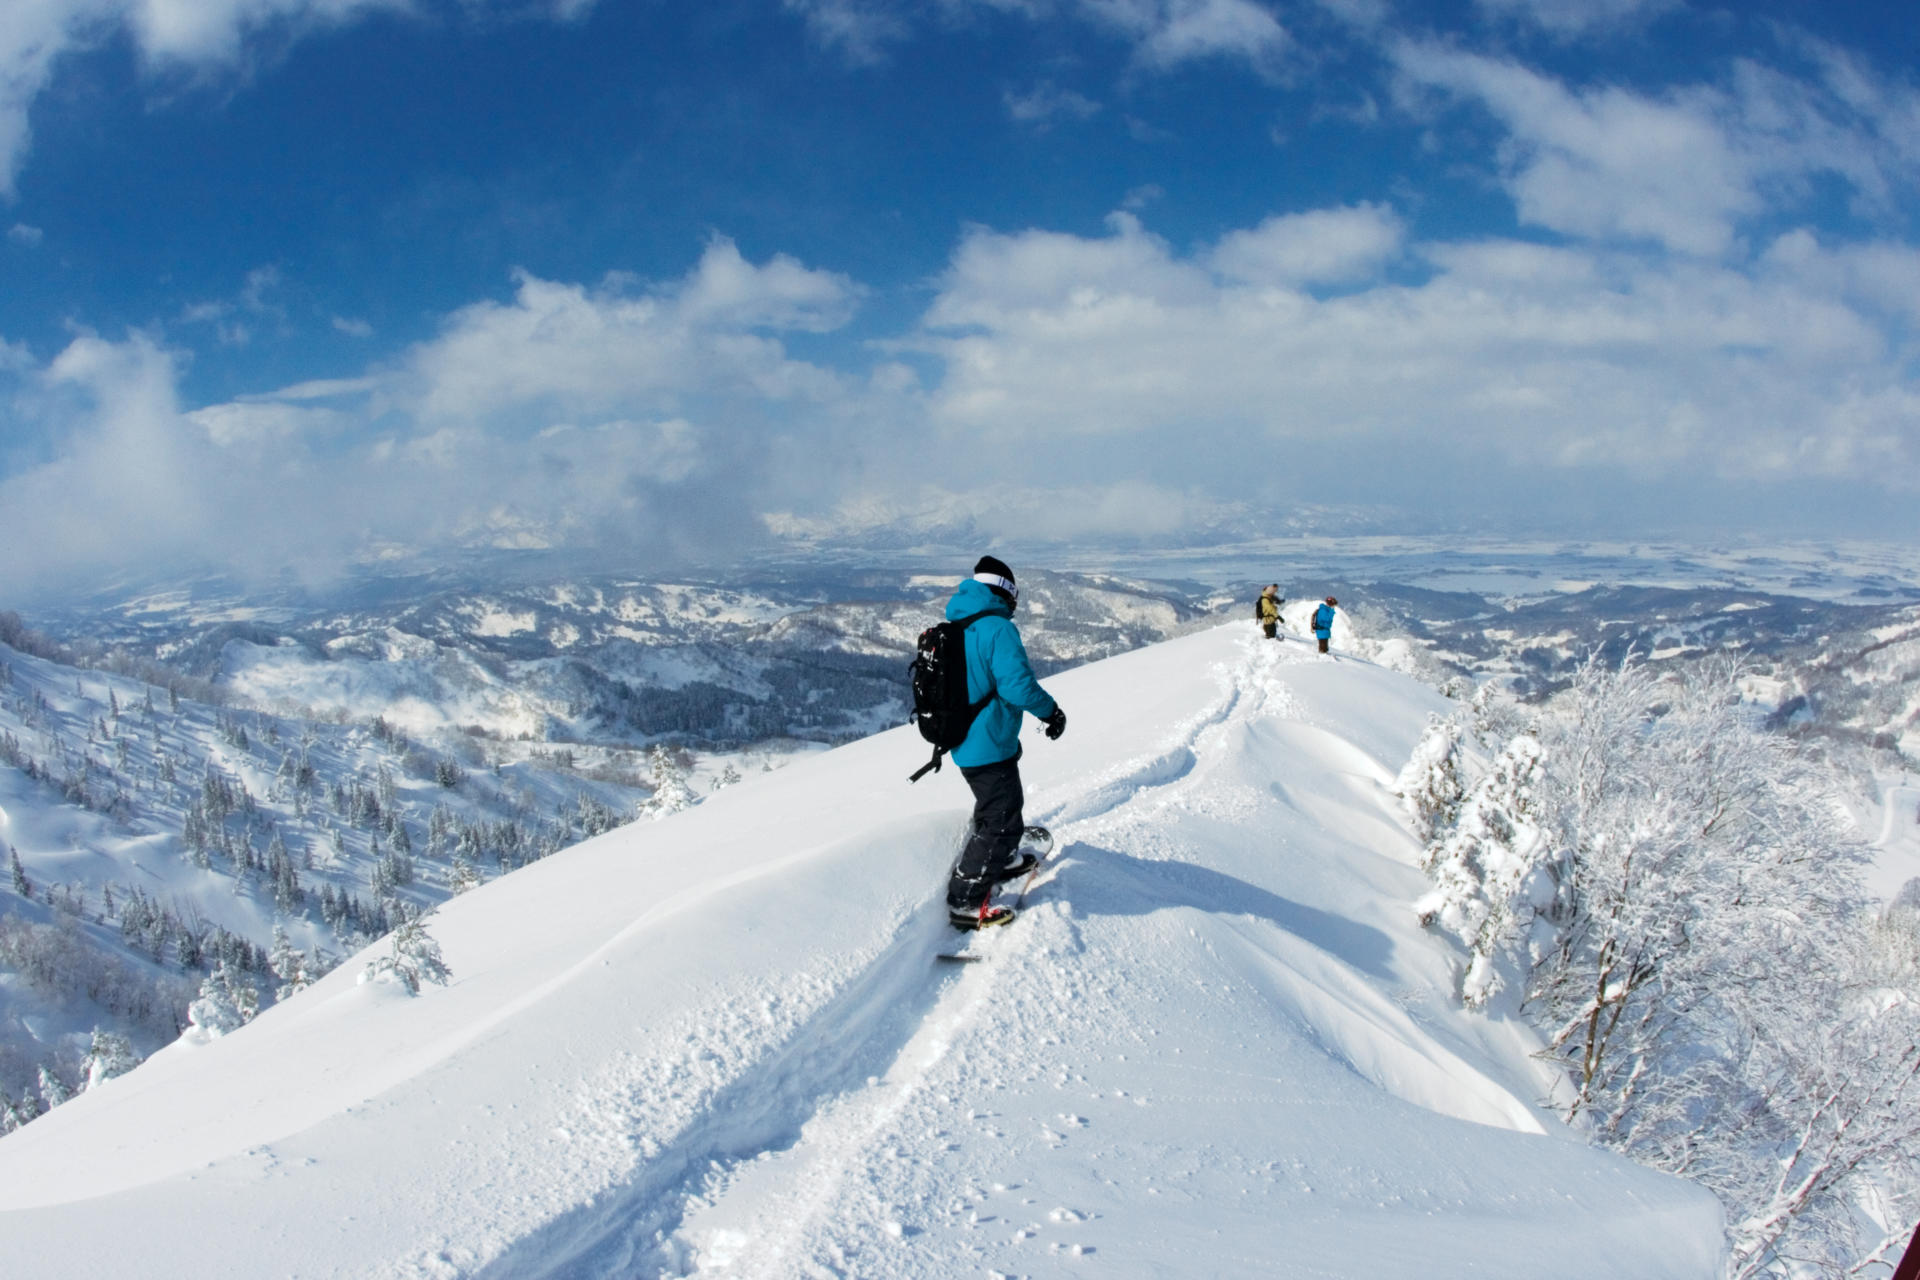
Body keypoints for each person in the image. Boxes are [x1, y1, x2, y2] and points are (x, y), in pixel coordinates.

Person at [942, 555, 1066, 929]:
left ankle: (1004, 860)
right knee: (1001, 822)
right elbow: (1018, 687)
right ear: (1006, 592)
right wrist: (1051, 712)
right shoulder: (998, 629)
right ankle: (965, 901)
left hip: (968, 738)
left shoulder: (961, 622)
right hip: (988, 742)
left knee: (999, 808)